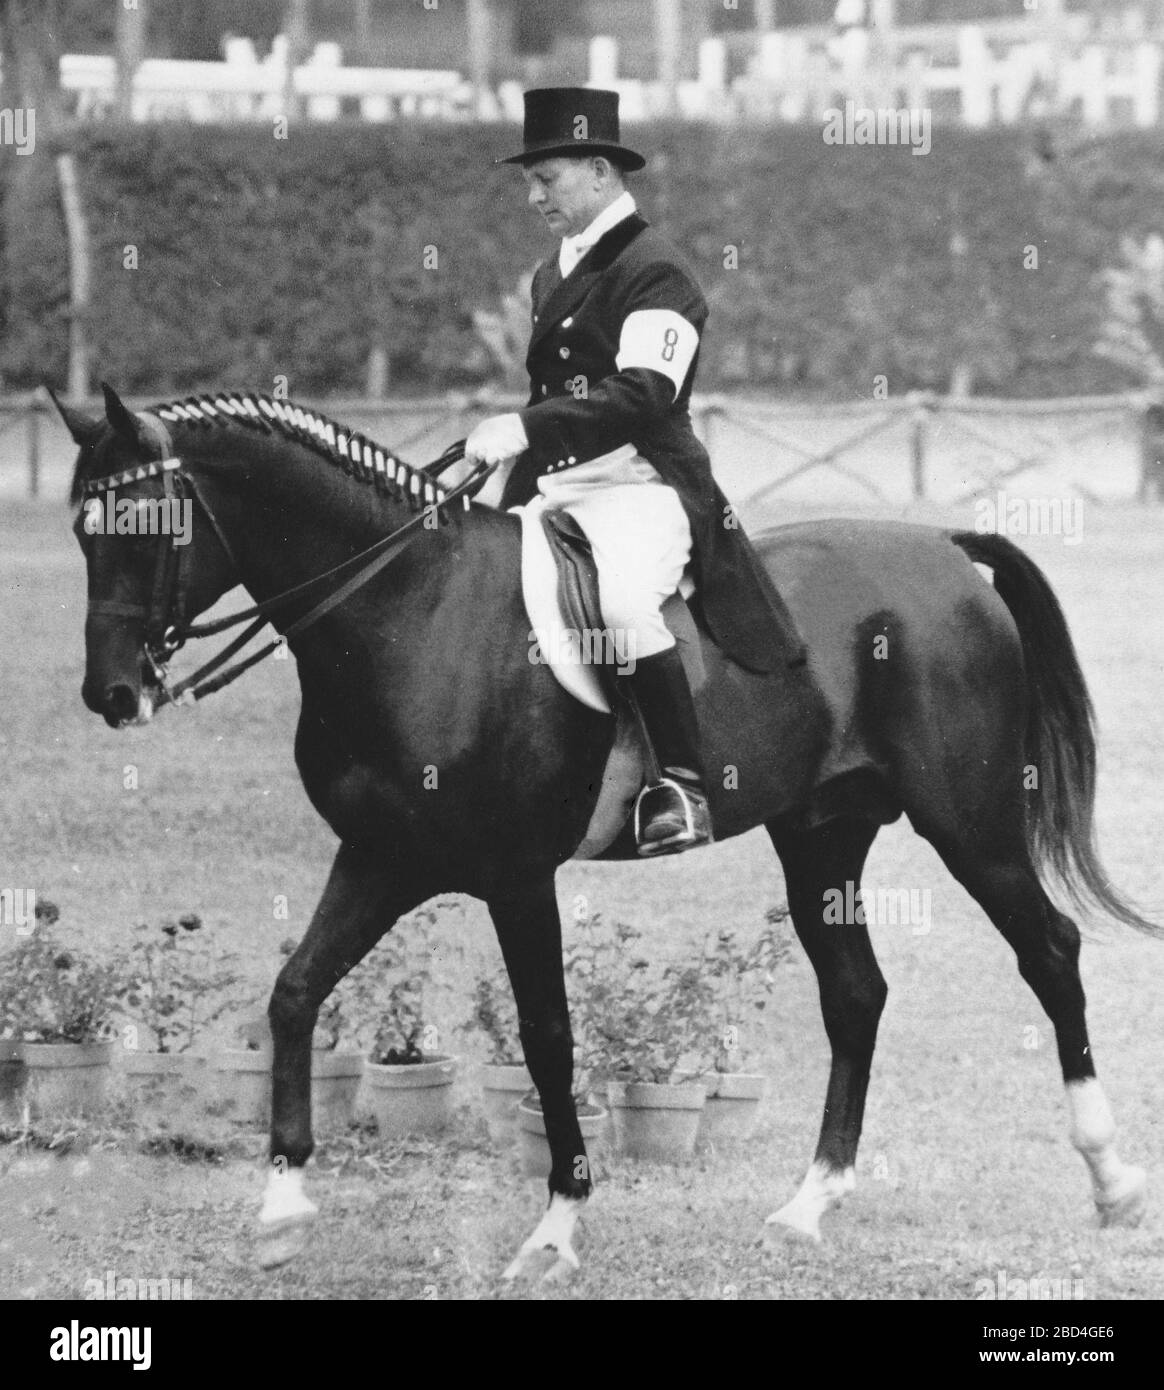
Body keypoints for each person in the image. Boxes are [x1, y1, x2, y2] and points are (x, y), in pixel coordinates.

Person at [464, 87, 803, 856]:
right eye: (529, 181)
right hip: (562, 488)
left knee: (618, 603)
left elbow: (642, 393)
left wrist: (523, 426)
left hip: (644, 487)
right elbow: (555, 396)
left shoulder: (658, 272)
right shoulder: (552, 274)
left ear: (597, 170)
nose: (533, 196)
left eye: (545, 179)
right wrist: (499, 476)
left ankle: (681, 786)